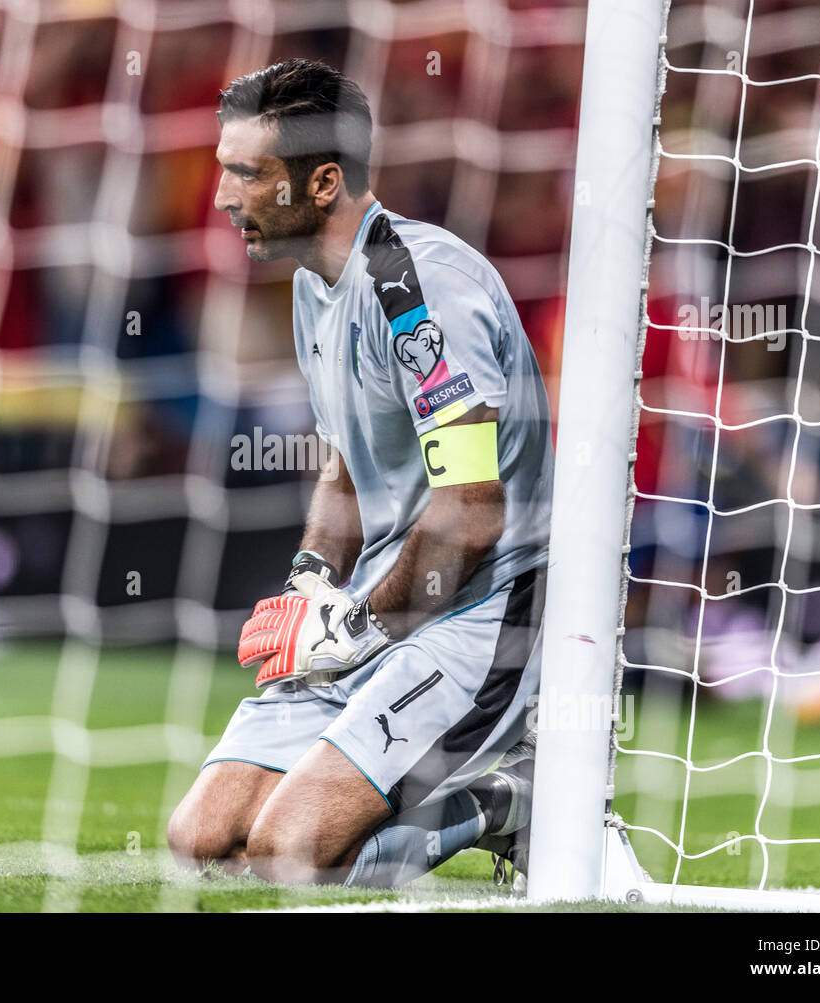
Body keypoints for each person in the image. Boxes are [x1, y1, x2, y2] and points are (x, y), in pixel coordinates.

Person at [167, 58, 553, 888]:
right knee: (201, 843)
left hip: (479, 612)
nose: (224, 197)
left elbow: (471, 514)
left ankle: (508, 800)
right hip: (381, 604)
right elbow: (343, 469)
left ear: (322, 182)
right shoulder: (315, 283)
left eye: (246, 174)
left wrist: (353, 629)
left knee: (287, 856)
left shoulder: (419, 291)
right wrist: (313, 584)